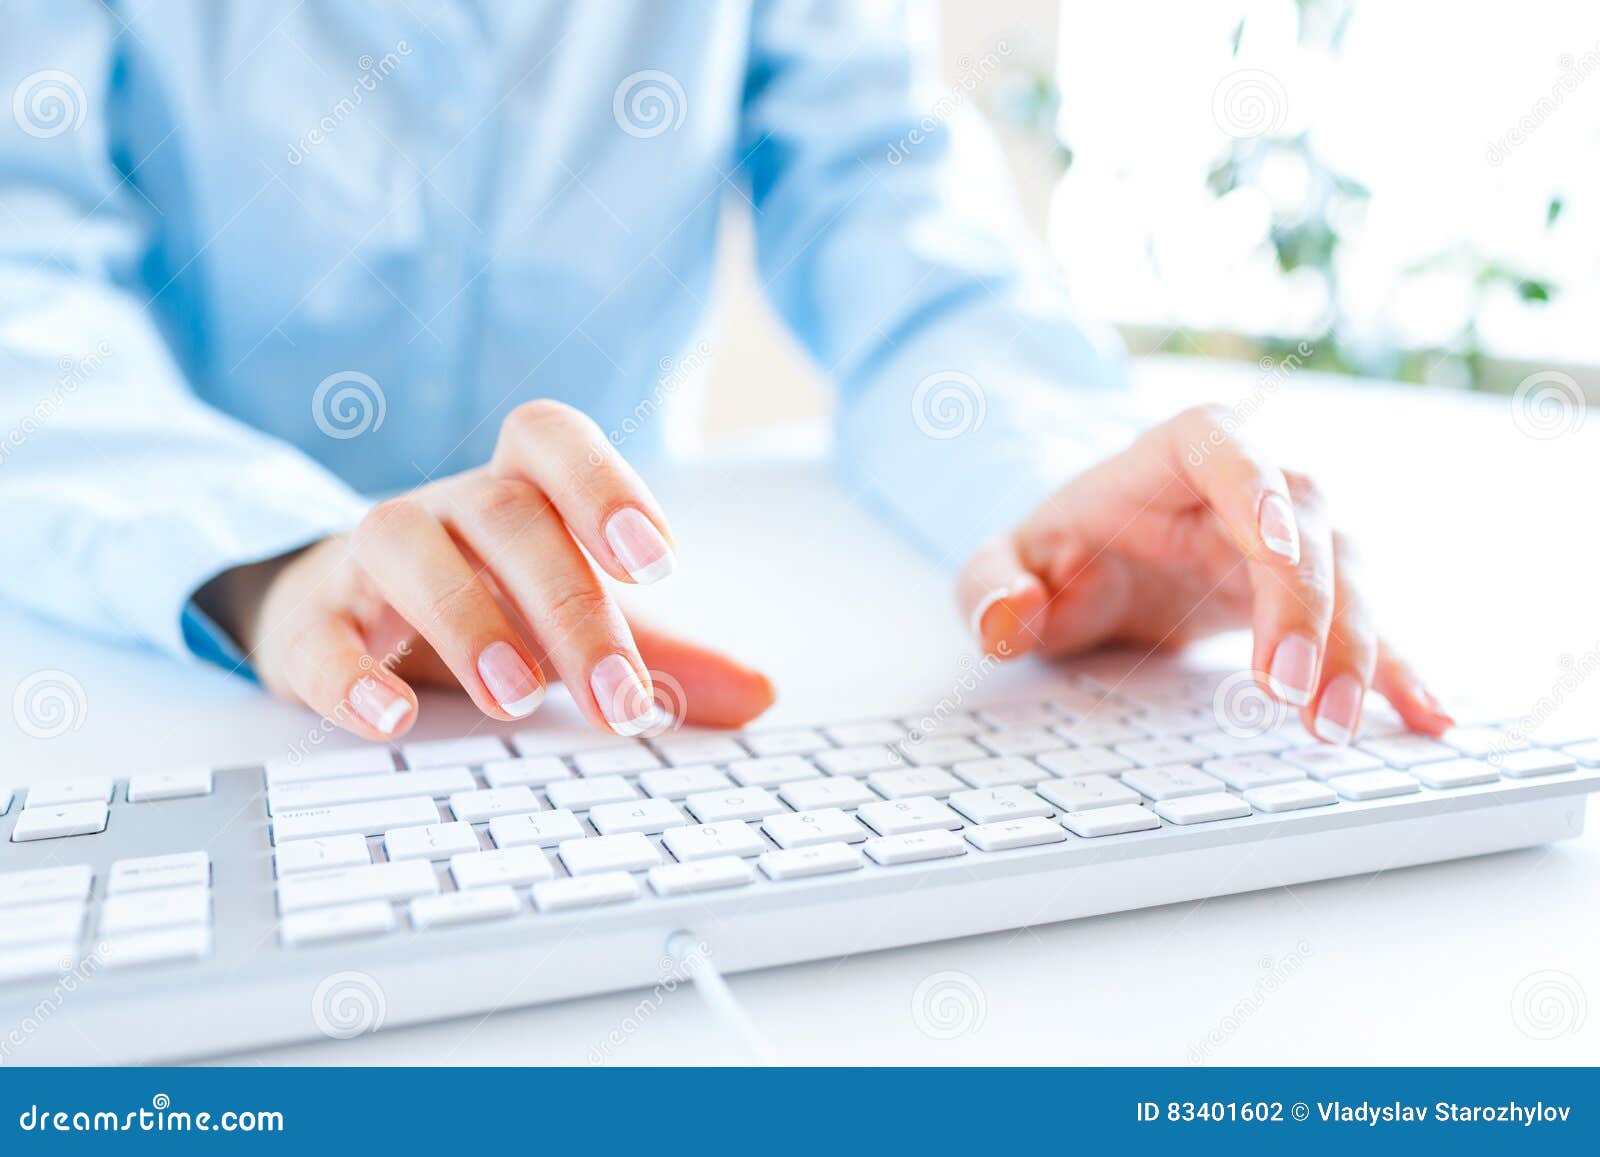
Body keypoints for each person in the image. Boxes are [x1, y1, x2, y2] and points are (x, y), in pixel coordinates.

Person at [0, 1, 1450, 744]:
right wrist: (271, 560)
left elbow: (883, 200)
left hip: (616, 667)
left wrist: (1054, 489)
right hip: (162, 650)